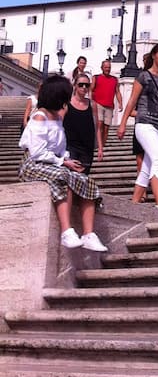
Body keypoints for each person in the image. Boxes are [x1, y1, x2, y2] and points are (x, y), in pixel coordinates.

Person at [18, 74, 107, 251]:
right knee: (63, 176)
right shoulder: (40, 116)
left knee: (85, 180)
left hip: (52, 162)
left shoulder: (57, 118)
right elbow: (37, 152)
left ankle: (88, 234)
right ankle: (66, 231)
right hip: (33, 164)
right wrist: (64, 163)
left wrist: (67, 160)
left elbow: (60, 147)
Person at [117, 43, 158, 209]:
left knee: (147, 167)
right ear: (154, 55)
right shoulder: (144, 76)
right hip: (144, 124)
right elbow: (131, 102)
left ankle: (134, 203)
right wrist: (122, 124)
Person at [64, 73, 101, 171]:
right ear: (75, 86)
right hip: (70, 146)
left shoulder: (92, 104)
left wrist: (100, 147)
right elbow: (58, 125)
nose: (84, 87)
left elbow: (97, 126)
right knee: (71, 175)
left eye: (87, 85)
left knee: (84, 176)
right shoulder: (67, 104)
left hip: (87, 147)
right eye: (81, 85)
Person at [91, 60, 123, 149]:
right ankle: (98, 145)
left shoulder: (114, 79)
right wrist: (91, 101)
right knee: (100, 124)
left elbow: (117, 92)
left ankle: (102, 145)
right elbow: (91, 89)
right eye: (105, 67)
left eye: (109, 67)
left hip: (109, 106)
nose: (107, 69)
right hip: (98, 104)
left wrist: (120, 103)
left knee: (106, 127)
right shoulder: (96, 77)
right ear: (102, 68)